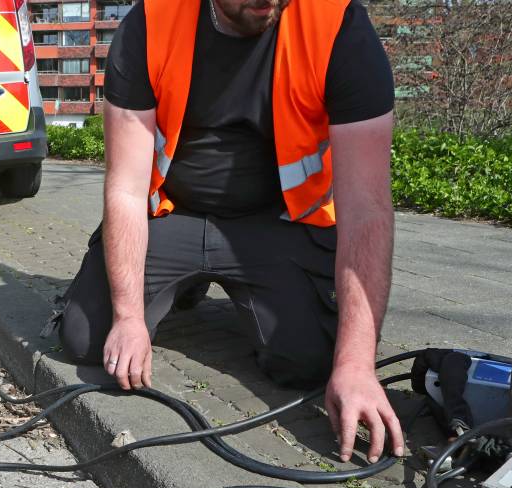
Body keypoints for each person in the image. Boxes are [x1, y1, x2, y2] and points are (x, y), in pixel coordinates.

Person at [55, 0, 405, 464]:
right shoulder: (151, 23)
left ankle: (222, 289)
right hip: (171, 215)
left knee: (313, 365)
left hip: (277, 224)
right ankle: (179, 285)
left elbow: (367, 210)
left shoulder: (338, 26)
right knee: (87, 340)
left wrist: (358, 364)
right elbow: (125, 188)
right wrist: (127, 317)